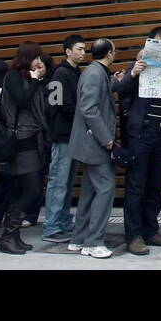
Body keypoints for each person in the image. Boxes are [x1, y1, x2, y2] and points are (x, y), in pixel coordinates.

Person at [115, 26, 161, 255]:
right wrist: (134, 73)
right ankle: (134, 235)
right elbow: (121, 90)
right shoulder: (139, 63)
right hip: (142, 133)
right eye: (157, 42)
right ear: (149, 44)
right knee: (137, 185)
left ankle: (150, 229)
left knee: (155, 185)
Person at [68, 39, 123, 260]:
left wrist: (116, 81)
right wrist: (107, 139)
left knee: (89, 191)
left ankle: (78, 238)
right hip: (96, 144)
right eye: (115, 50)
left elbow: (99, 95)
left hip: (89, 143)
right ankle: (94, 242)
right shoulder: (94, 74)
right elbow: (89, 110)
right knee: (106, 188)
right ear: (109, 53)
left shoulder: (95, 71)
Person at [0, 42, 49, 255]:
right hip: (21, 140)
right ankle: (8, 235)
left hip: (32, 138)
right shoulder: (14, 77)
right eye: (36, 57)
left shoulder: (26, 78)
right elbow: (23, 100)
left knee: (24, 189)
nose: (39, 62)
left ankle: (13, 235)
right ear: (27, 58)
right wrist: (35, 82)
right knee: (33, 189)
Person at [42, 34, 87, 242]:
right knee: (58, 181)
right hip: (62, 135)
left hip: (73, 135)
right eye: (79, 49)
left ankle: (63, 220)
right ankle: (51, 225)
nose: (83, 52)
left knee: (67, 182)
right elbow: (57, 103)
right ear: (68, 51)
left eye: (84, 49)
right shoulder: (60, 73)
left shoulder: (76, 73)